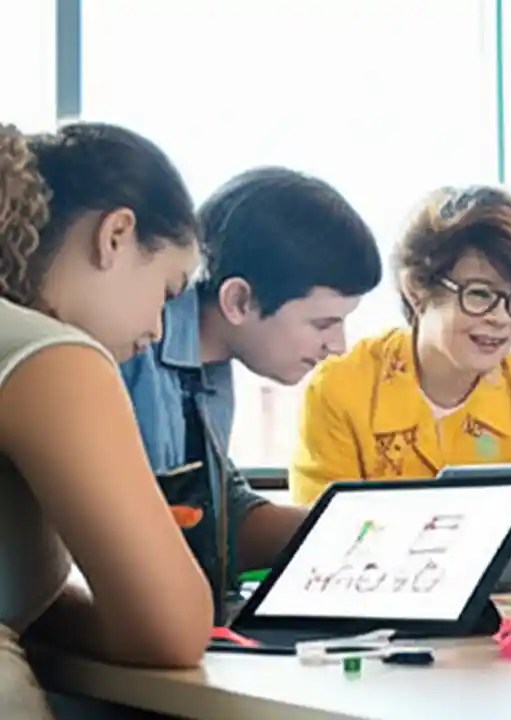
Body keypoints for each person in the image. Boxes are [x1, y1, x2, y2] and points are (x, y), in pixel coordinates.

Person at [289, 185, 511, 583]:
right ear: (416, 287)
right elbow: (316, 548)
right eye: (479, 294)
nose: (502, 319)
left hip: (505, 627)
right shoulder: (340, 388)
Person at [0, 122, 213, 716]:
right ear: (116, 235)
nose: (158, 330)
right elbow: (168, 629)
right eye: (167, 291)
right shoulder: (51, 359)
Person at [119, 167, 382, 622]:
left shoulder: (213, 370)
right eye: (323, 324)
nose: (338, 346)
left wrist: (366, 534)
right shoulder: (130, 349)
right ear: (239, 301)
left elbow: (219, 516)